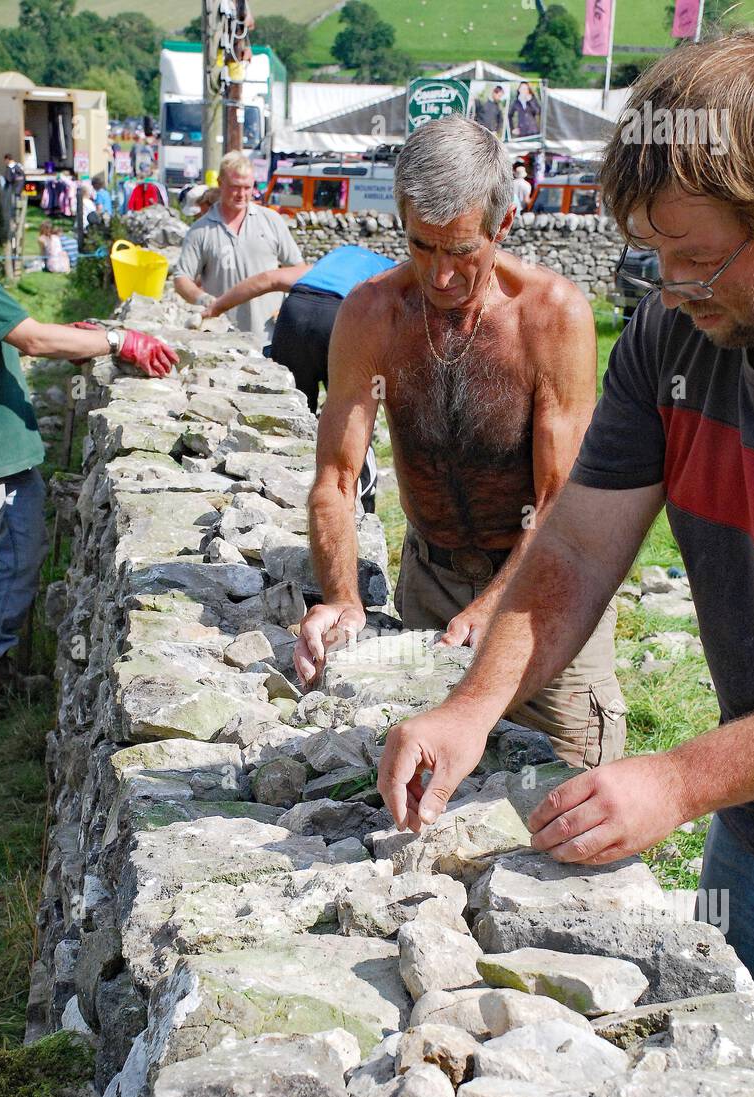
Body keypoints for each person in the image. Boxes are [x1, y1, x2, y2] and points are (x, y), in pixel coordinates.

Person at [378, 31, 754, 1050]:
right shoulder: (673, 340)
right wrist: (472, 708)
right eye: (657, 257)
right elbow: (573, 549)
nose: (669, 290)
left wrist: (678, 779)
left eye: (699, 260)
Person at [293, 116, 626, 769]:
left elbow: (559, 498)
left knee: (572, 780)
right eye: (422, 247)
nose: (440, 276)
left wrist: (495, 603)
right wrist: (341, 597)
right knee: (428, 778)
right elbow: (336, 478)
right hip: (432, 584)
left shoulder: (552, 317)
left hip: (544, 586)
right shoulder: (370, 316)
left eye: (462, 252)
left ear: (502, 227)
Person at [0, 142, 178, 722]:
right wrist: (118, 341)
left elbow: (20, 330)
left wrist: (75, 336)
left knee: (11, 560)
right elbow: (32, 339)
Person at [203, 244, 397, 512]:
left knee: (291, 419)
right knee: (350, 420)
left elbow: (267, 279)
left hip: (295, 314)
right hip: (340, 317)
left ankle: (279, 500)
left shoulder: (321, 269)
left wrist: (214, 308)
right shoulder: (391, 270)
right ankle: (361, 505)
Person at [173, 151, 307, 342]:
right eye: (235, 187)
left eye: (247, 187)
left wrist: (289, 306)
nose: (242, 194)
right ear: (220, 184)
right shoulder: (200, 230)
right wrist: (202, 299)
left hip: (269, 336)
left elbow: (298, 270)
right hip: (221, 339)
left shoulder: (271, 221)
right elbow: (181, 278)